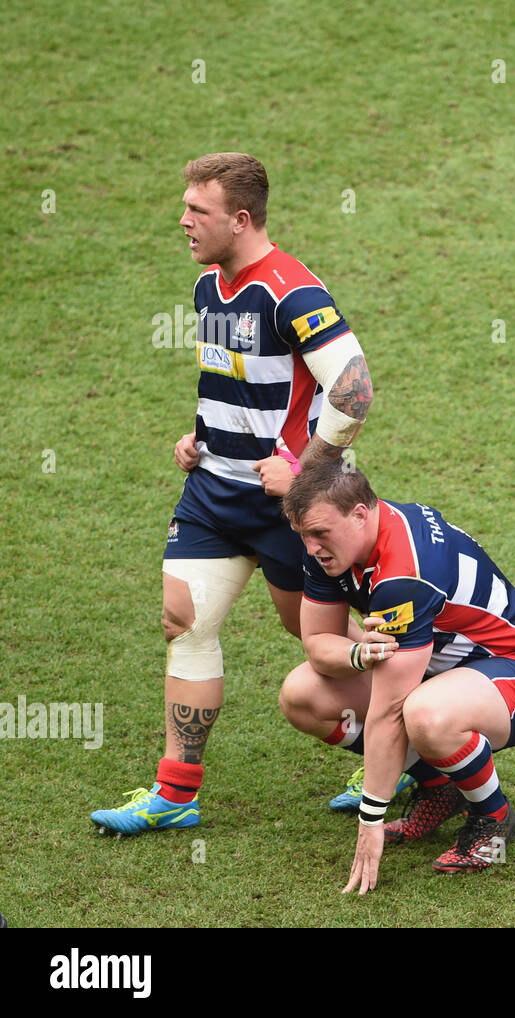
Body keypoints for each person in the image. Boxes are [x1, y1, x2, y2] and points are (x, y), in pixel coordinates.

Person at [91, 152, 379, 835]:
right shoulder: (207, 288)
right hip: (212, 496)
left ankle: (412, 750)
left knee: (319, 637)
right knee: (184, 622)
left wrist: (307, 473)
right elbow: (239, 383)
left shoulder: (292, 291)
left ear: (241, 220)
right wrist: (198, 436)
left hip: (283, 507)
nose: (183, 221)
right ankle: (176, 791)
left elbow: (354, 388)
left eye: (198, 211)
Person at [277, 461, 515, 885]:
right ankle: (440, 786)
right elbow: (319, 644)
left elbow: (390, 709)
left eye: (320, 533)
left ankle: (493, 819)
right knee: (302, 694)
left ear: (360, 513)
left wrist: (371, 818)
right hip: (437, 669)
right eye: (303, 535)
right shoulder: (339, 541)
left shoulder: (404, 574)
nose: (312, 547)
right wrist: (360, 653)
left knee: (422, 714)